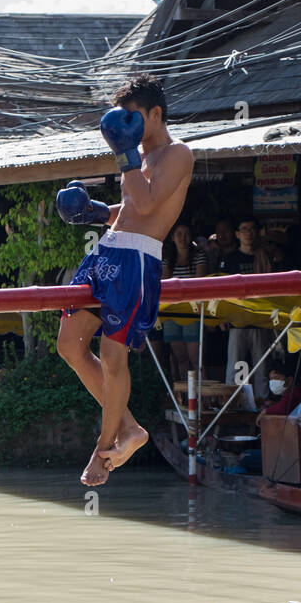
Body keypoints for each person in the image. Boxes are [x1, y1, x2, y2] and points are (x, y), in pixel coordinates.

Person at [56, 73, 194, 486]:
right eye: (123, 120)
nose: (128, 126)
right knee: (68, 345)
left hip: (137, 259)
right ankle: (131, 429)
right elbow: (130, 206)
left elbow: (149, 205)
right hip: (107, 251)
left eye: (134, 117)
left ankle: (104, 448)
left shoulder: (178, 153)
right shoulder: (141, 157)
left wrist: (124, 154)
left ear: (155, 114)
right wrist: (96, 212)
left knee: (114, 358)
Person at [221, 216, 273, 400]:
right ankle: (233, 405)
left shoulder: (265, 257)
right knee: (236, 366)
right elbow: (224, 291)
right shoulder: (230, 259)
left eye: (251, 229)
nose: (248, 233)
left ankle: (262, 405)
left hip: (261, 318)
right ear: (237, 234)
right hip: (238, 320)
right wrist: (224, 317)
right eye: (244, 229)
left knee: (262, 367)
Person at [161, 220, 207, 382]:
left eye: (186, 233)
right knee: (180, 357)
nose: (183, 238)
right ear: (172, 237)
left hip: (192, 311)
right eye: (179, 234)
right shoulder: (167, 259)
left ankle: (202, 396)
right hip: (172, 312)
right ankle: (186, 396)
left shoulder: (199, 255)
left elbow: (199, 282)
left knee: (196, 358)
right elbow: (165, 284)